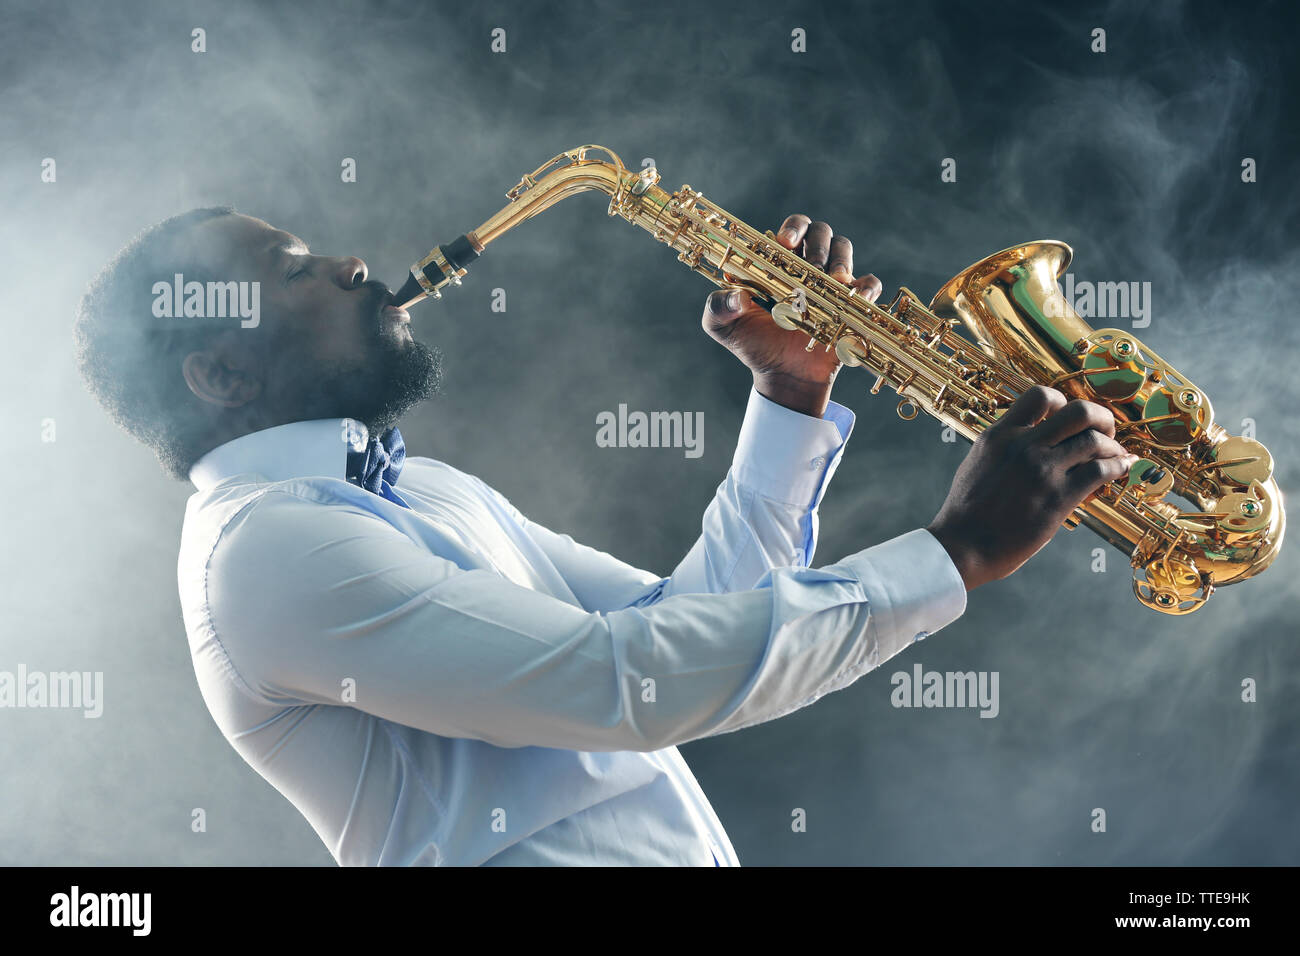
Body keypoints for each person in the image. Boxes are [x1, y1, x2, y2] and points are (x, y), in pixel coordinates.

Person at [74, 206, 1136, 865]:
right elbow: (626, 682)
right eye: (292, 266)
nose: (352, 262)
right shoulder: (265, 553)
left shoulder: (420, 489)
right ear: (219, 374)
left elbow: (683, 629)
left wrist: (790, 391)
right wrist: (949, 552)